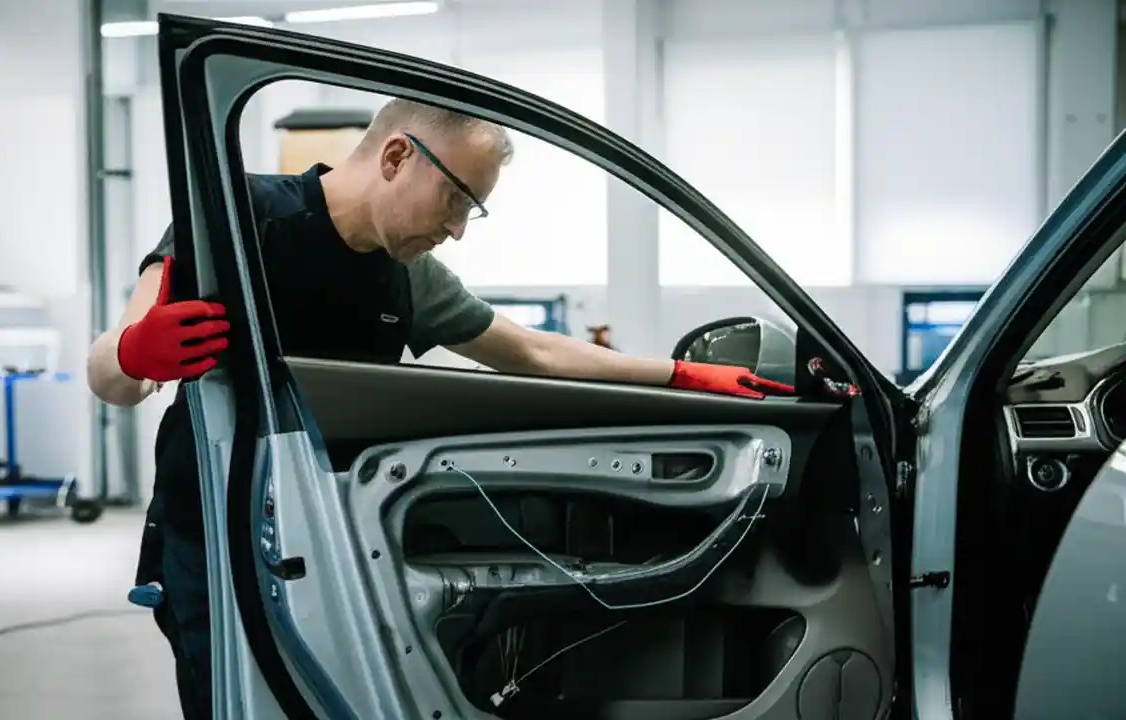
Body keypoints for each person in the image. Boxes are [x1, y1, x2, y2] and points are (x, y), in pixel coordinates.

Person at [85, 98, 792, 719]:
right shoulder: (235, 221)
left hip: (331, 537)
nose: (457, 229)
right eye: (457, 199)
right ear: (397, 155)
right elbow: (110, 375)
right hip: (213, 533)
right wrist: (134, 355)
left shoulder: (408, 276)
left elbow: (532, 353)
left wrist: (682, 375)